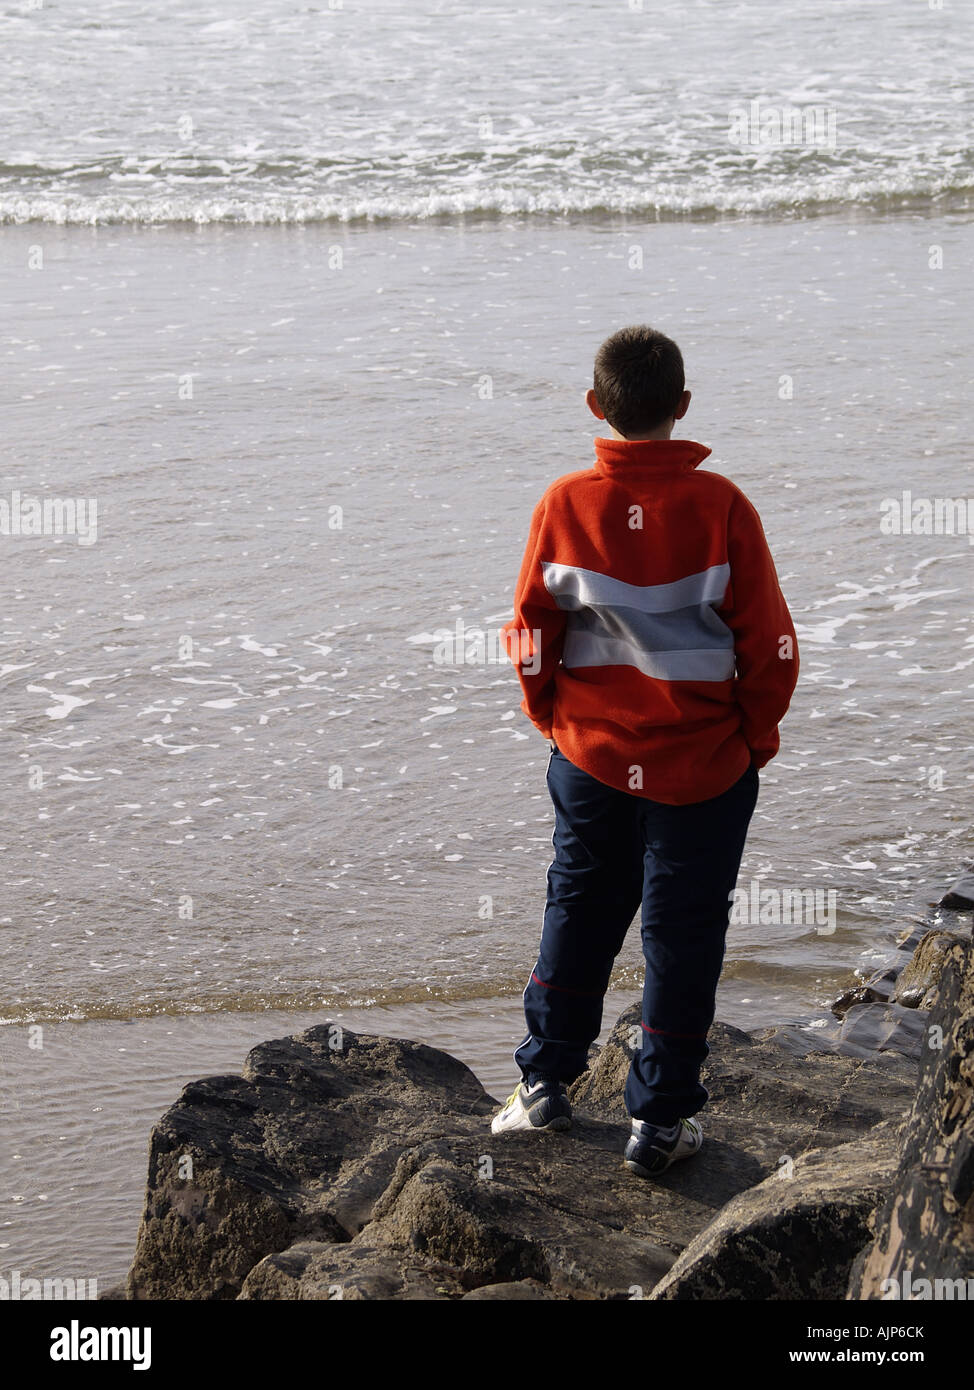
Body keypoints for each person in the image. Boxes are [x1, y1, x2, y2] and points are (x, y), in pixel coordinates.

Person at [492, 324, 799, 1179]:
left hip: (590, 759)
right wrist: (754, 739)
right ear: (684, 407)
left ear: (596, 407)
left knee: (579, 908)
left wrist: (551, 717)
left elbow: (527, 633)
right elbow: (770, 643)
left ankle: (545, 1084)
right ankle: (659, 1123)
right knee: (682, 935)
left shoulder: (564, 503)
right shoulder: (721, 505)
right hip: (703, 769)